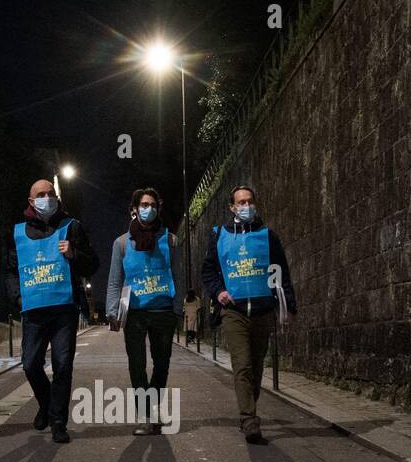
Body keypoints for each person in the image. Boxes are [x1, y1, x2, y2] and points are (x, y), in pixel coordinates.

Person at [5, 178, 99, 444]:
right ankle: (45, 403)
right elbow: (10, 271)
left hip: (63, 311)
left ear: (57, 198)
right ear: (31, 201)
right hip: (33, 312)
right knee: (30, 363)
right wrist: (18, 298)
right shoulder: (18, 232)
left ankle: (58, 421)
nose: (47, 197)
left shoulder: (72, 227)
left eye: (51, 193)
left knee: (63, 365)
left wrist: (74, 254)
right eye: (41, 194)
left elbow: (93, 264)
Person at [201, 185, 297, 444]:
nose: (246, 206)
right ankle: (249, 419)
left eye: (249, 201)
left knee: (255, 367)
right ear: (232, 207)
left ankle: (248, 410)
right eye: (240, 203)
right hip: (235, 312)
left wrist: (287, 305)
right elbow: (208, 271)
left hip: (263, 312)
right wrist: (218, 292)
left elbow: (280, 272)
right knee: (241, 365)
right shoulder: (219, 236)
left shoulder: (268, 237)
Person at [104, 187, 184, 435]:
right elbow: (115, 280)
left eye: (152, 204)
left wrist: (178, 306)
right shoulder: (121, 243)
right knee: (137, 365)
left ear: (158, 209)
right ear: (134, 209)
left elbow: (178, 275)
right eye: (143, 204)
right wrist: (112, 310)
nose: (148, 209)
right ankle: (145, 415)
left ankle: (151, 406)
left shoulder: (170, 240)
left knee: (162, 365)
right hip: (135, 314)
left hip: (163, 312)